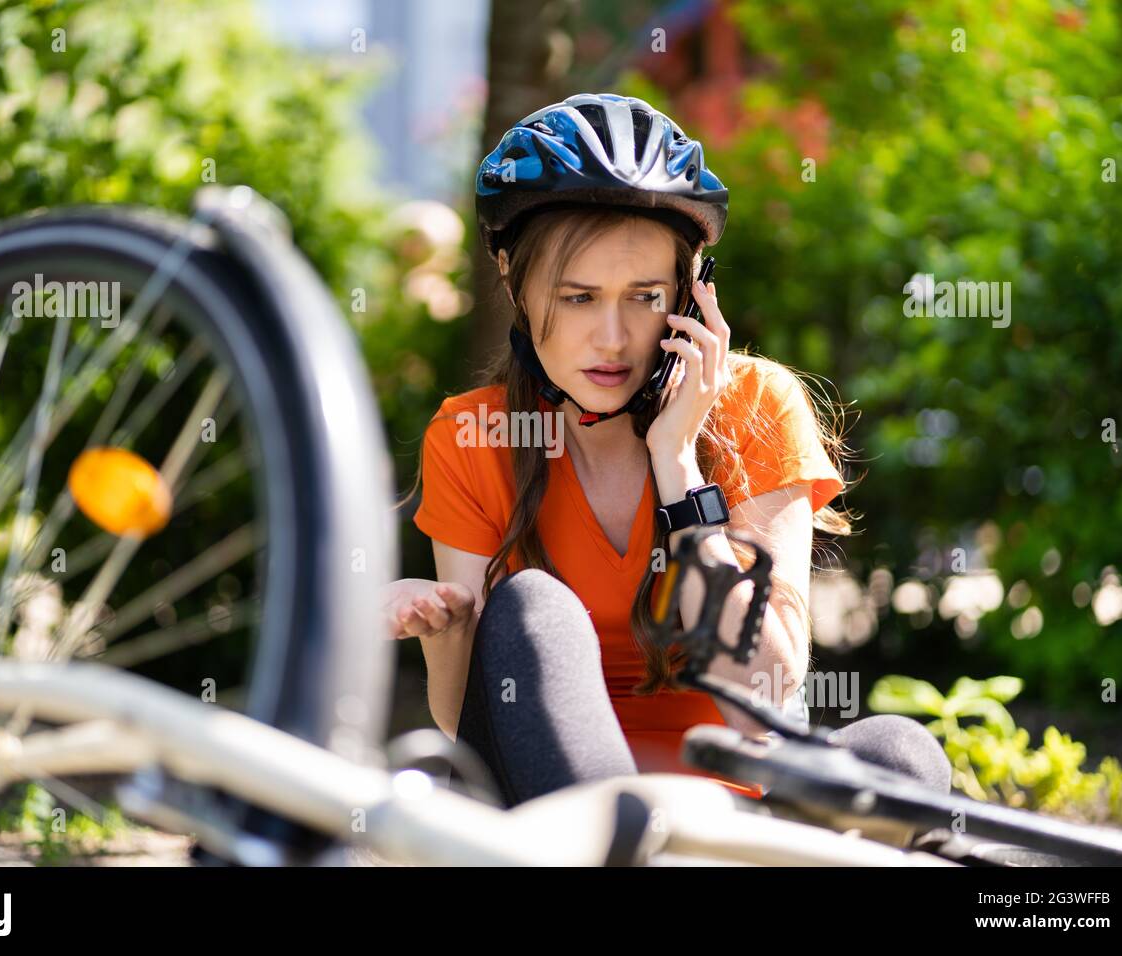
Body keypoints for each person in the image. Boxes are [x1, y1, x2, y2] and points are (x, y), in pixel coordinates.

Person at [388, 93, 951, 808]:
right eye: (578, 298)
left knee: (900, 755)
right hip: (564, 825)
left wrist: (680, 469)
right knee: (529, 607)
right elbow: (470, 723)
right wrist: (448, 631)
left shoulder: (758, 406)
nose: (614, 338)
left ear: (691, 295)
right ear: (513, 284)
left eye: (644, 296)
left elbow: (765, 704)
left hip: (730, 824)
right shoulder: (473, 435)